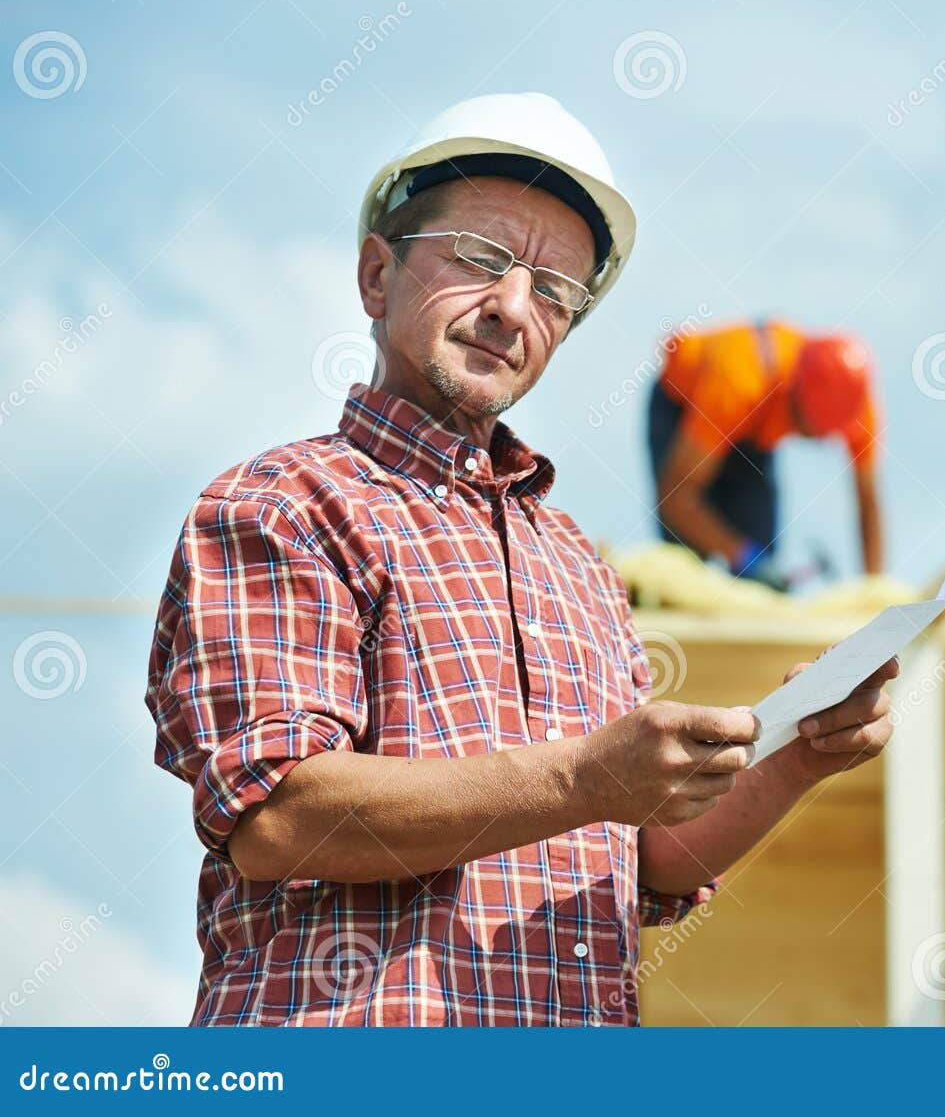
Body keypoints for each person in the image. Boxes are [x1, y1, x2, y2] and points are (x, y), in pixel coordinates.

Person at [145, 92, 897, 1026]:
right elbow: (280, 817)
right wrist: (583, 777)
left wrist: (793, 759)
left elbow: (644, 862)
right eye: (480, 258)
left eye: (552, 290)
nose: (511, 308)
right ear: (377, 275)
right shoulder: (282, 507)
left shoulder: (577, 563)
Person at [648, 319, 884, 586]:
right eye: (811, 430)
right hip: (686, 406)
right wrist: (743, 556)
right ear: (794, 396)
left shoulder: (854, 405)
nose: (820, 440)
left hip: (752, 431)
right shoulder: (737, 385)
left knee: (761, 578)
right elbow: (677, 498)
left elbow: (868, 504)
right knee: (685, 565)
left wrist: (873, 593)